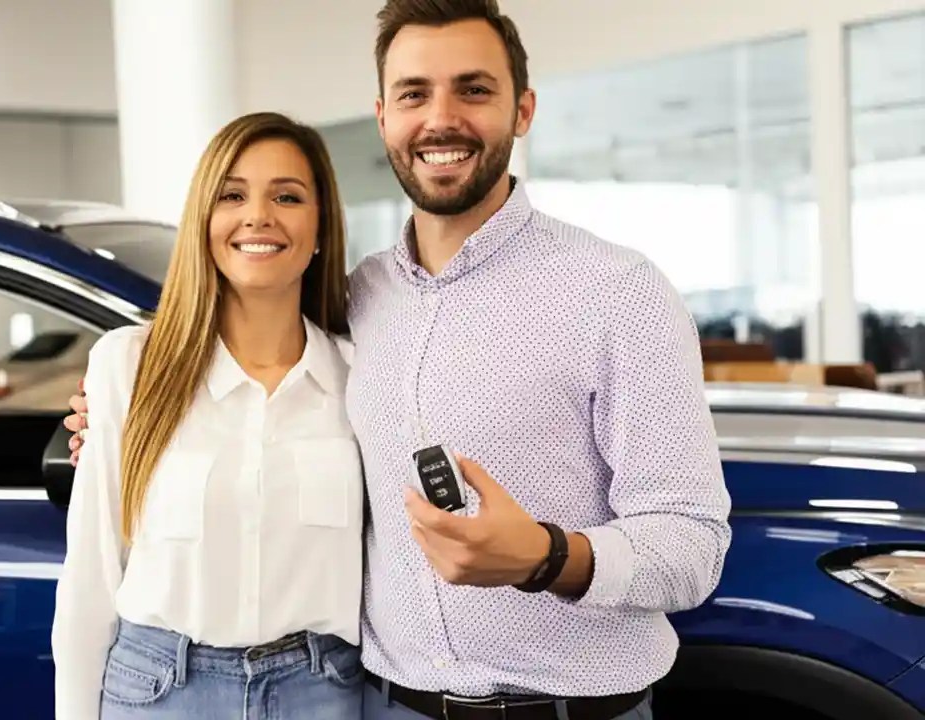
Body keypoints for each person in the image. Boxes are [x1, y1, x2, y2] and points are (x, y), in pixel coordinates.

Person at [68, 1, 732, 718]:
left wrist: (546, 557)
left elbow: (693, 546)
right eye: (415, 94)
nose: (440, 119)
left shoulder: (617, 293)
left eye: (474, 90)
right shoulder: (359, 307)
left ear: (523, 110)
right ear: (383, 116)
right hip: (386, 707)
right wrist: (121, 425)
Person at [51, 111, 366, 720]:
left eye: (287, 196)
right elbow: (90, 581)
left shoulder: (361, 377)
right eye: (232, 194)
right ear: (204, 219)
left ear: (321, 226)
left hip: (322, 694)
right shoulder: (127, 367)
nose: (258, 216)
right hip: (159, 693)